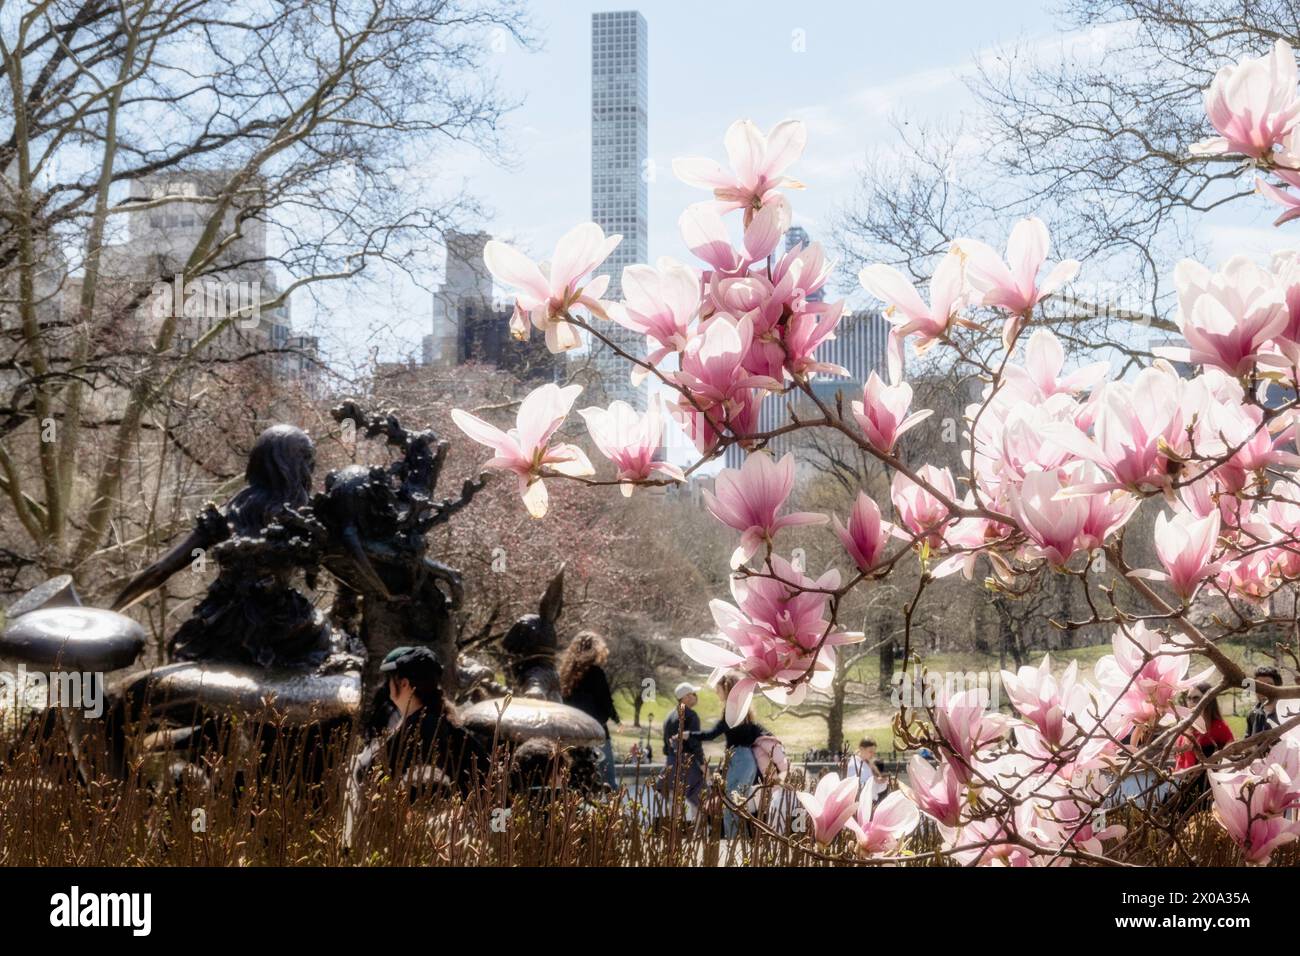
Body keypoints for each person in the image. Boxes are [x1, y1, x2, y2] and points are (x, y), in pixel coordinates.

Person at [378, 646, 488, 796]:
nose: (387, 685)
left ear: (404, 684)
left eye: (389, 680)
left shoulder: (425, 728)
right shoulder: (432, 720)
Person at [699, 676, 773, 838]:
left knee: (731, 805)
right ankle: (741, 844)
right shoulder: (744, 711)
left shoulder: (731, 709)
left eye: (718, 690)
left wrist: (689, 735)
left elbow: (712, 734)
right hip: (746, 761)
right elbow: (760, 731)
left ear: (726, 689)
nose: (716, 693)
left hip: (739, 760)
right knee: (738, 805)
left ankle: (736, 843)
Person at [558, 631, 621, 790]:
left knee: (574, 781)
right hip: (595, 731)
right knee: (607, 780)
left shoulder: (565, 675)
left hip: (570, 734)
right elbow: (606, 704)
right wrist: (614, 718)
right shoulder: (596, 673)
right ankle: (610, 813)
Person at [660, 682, 705, 815]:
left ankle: (675, 834)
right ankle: (697, 833)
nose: (696, 697)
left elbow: (665, 746)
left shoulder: (669, 716)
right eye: (693, 694)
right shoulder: (691, 715)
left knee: (675, 802)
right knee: (698, 798)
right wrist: (702, 764)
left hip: (671, 762)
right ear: (686, 697)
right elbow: (695, 743)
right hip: (688, 763)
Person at [1246, 665, 1283, 738]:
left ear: (1278, 688)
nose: (1264, 690)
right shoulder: (1252, 714)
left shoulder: (1289, 712)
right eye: (1259, 686)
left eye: (1269, 685)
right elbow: (1247, 741)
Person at [846, 737, 883, 802]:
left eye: (874, 752)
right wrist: (874, 780)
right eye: (870, 751)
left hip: (870, 800)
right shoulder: (853, 765)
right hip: (861, 802)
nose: (872, 755)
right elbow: (854, 787)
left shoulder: (866, 763)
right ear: (861, 749)